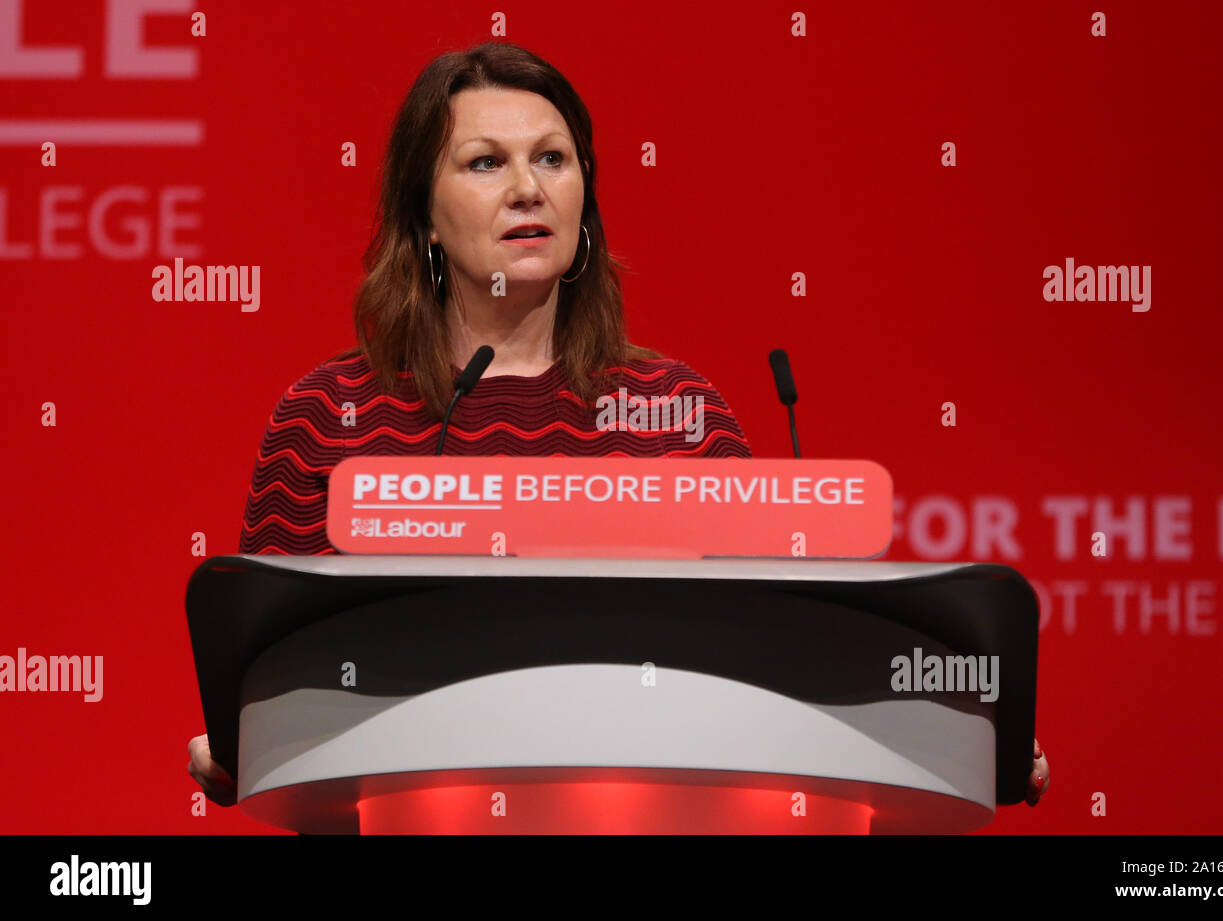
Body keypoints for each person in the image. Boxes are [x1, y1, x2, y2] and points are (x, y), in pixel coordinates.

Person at [187, 40, 1051, 813]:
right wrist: (239, 738)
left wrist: (955, 717)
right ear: (423, 218)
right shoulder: (329, 414)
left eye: (553, 159)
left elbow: (783, 646)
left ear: (585, 197)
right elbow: (265, 677)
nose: (529, 188)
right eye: (486, 162)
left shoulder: (677, 412)